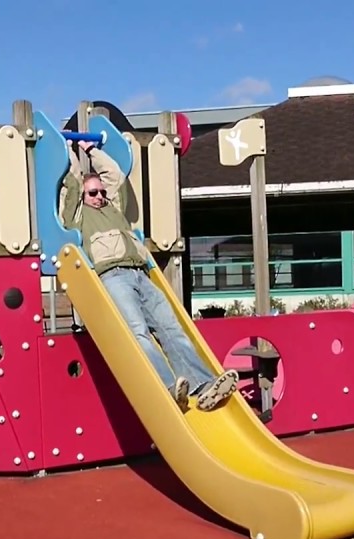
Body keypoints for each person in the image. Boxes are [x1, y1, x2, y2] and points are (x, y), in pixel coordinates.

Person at [60, 139, 238, 411]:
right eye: (93, 193)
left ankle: (202, 384)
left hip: (141, 274)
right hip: (113, 276)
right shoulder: (78, 216)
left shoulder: (114, 209)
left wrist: (90, 149)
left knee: (171, 328)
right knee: (138, 332)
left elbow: (115, 175)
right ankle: (167, 387)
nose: (99, 196)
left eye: (101, 192)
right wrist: (70, 150)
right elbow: (72, 183)